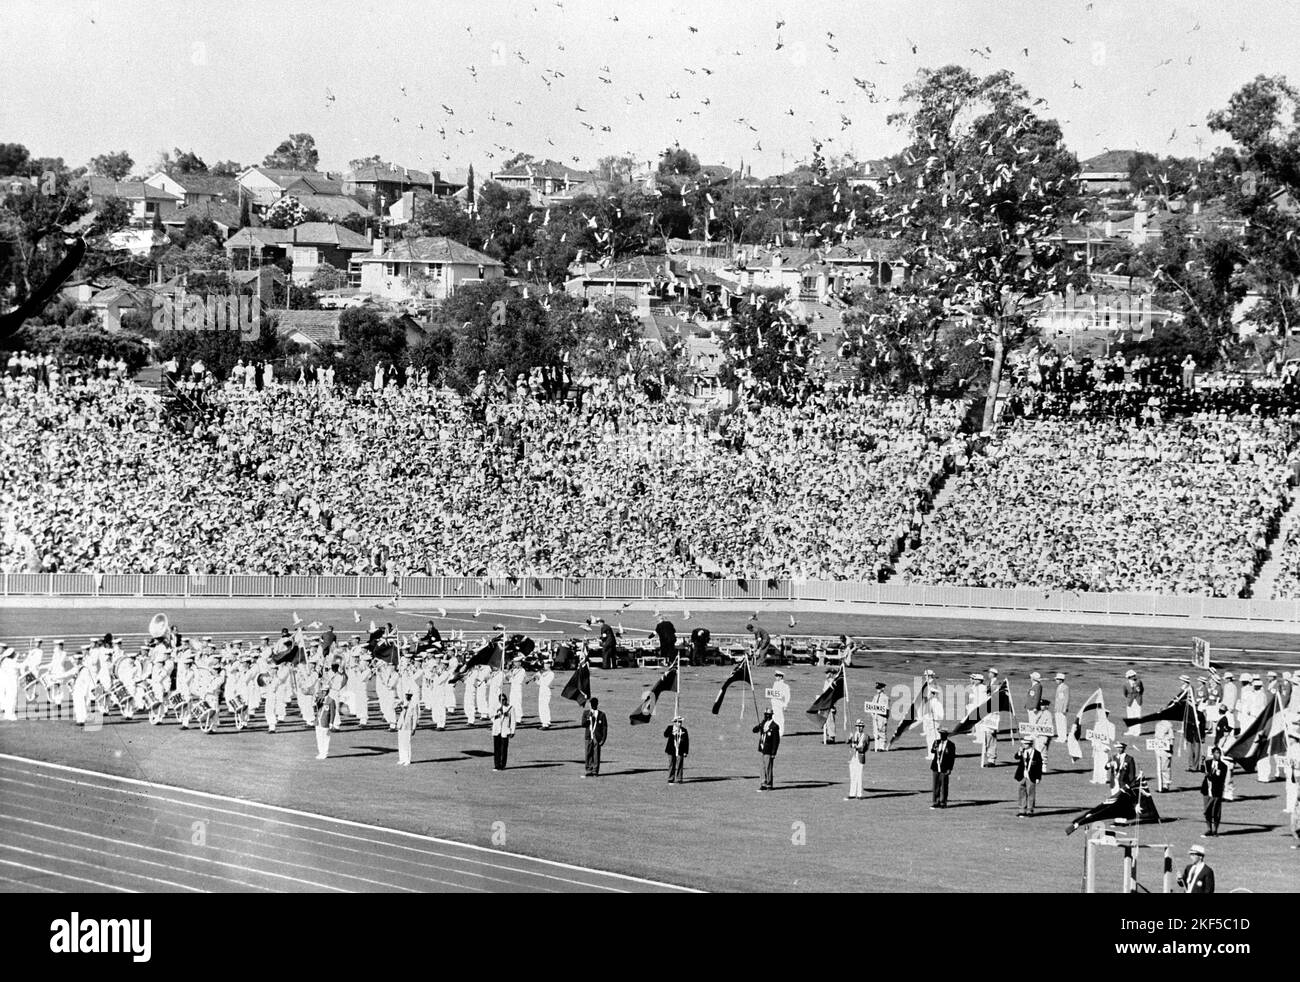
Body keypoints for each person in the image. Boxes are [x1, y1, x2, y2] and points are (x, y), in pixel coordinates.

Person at [1201, 746, 1228, 838]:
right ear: (1212, 754)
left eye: (1219, 753)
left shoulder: (1223, 766)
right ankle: (1209, 829)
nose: (1218, 755)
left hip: (1216, 792)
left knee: (1216, 811)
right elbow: (1202, 769)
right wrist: (1202, 761)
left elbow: (1221, 779)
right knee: (1206, 811)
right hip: (1207, 790)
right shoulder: (1208, 763)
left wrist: (1210, 776)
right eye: (1216, 753)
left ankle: (1215, 830)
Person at [1013, 737, 1043, 817]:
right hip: (1022, 775)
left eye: (1025, 744)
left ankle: (1030, 810)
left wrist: (1038, 777)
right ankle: (1021, 810)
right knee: (1021, 792)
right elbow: (1016, 757)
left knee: (1031, 793)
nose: (1023, 745)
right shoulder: (1022, 751)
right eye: (1023, 743)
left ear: (1030, 744)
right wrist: (1019, 752)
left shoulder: (1036, 753)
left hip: (1032, 776)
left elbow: (1039, 767)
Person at [753, 708, 780, 791]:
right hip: (762, 748)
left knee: (768, 767)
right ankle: (763, 783)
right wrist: (759, 726)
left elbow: (776, 741)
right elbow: (754, 730)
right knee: (762, 767)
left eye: (768, 715)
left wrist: (773, 752)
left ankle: (769, 784)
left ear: (771, 715)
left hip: (769, 749)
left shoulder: (774, 726)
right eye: (765, 714)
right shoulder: (763, 723)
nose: (766, 716)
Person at [930, 728, 956, 809]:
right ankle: (935, 801)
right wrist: (935, 748)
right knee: (935, 786)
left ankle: (943, 802)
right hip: (936, 767)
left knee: (944, 786)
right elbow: (932, 751)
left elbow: (952, 758)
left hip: (945, 767)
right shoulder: (936, 742)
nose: (942, 736)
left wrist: (950, 768)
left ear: (946, 735)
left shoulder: (951, 745)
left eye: (943, 735)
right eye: (941, 734)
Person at [582, 697, 607, 777]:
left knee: (596, 754)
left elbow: (604, 727)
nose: (593, 705)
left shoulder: (601, 714)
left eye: (594, 704)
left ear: (597, 704)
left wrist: (603, 739)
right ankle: (588, 770)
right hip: (588, 736)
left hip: (597, 737)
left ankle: (595, 771)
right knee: (588, 753)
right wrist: (588, 718)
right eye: (591, 704)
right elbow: (583, 724)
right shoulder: (586, 713)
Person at [1091, 710, 1116, 784]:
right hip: (1097, 745)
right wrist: (1093, 744)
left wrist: (1108, 746)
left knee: (1103, 762)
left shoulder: (1111, 725)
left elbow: (1112, 738)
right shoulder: (1097, 724)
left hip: (1105, 746)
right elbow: (1093, 736)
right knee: (1096, 762)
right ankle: (1095, 778)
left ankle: (1103, 779)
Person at [492, 693, 516, 771]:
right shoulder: (496, 707)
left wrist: (512, 731)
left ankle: (502, 765)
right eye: (501, 700)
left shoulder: (510, 708)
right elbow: (491, 717)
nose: (503, 701)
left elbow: (513, 720)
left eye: (504, 699)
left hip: (505, 731)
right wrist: (498, 713)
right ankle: (497, 765)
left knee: (504, 749)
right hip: (496, 730)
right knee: (497, 749)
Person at [846, 719, 869, 799]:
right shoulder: (854, 734)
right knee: (853, 776)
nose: (859, 728)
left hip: (860, 757)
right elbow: (848, 743)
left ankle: (859, 794)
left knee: (859, 776)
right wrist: (849, 739)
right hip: (853, 757)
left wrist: (855, 746)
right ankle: (852, 793)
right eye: (857, 726)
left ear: (863, 727)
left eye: (860, 726)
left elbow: (863, 748)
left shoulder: (865, 736)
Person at [665, 715, 689, 784]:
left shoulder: (684, 730)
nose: (680, 723)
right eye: (678, 722)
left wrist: (685, 751)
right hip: (671, 750)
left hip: (680, 750)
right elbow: (665, 735)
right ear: (674, 722)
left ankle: (679, 779)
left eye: (680, 722)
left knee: (679, 764)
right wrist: (672, 732)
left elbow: (686, 742)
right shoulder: (670, 728)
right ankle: (671, 778)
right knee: (671, 764)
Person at [1153, 718, 1175, 792]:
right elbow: (1156, 736)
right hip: (1158, 748)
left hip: (1166, 749)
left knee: (1165, 768)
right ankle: (1160, 785)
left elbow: (1171, 738)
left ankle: (1166, 785)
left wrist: (1170, 747)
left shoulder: (1169, 726)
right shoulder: (1158, 725)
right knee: (1159, 767)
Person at [396, 692, 416, 765]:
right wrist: (400, 705)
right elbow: (395, 708)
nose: (407, 696)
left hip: (408, 725)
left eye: (408, 695)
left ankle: (407, 759)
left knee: (406, 743)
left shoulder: (413, 704)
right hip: (401, 724)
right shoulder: (403, 703)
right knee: (400, 743)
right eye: (406, 695)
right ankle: (402, 758)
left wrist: (414, 728)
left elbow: (415, 717)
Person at [820, 668, 838, 743]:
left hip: (830, 704)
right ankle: (827, 736)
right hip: (825, 703)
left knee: (830, 720)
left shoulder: (833, 682)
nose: (826, 675)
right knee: (826, 721)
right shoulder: (826, 682)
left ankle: (831, 737)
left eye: (827, 673)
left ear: (831, 674)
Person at [1123, 670, 1143, 737]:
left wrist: (1138, 695)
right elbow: (1125, 693)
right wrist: (1129, 698)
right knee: (1130, 716)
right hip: (1130, 702)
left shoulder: (1139, 682)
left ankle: (1137, 731)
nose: (1134, 677)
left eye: (1134, 675)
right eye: (1133, 676)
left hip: (1137, 701)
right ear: (1129, 677)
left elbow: (1142, 690)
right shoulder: (1126, 684)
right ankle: (1131, 730)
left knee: (1137, 716)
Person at [536, 658, 554, 729]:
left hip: (546, 691)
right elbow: (539, 683)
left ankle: (546, 723)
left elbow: (546, 683)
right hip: (541, 691)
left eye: (547, 664)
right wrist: (536, 680)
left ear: (550, 665)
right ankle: (543, 722)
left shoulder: (551, 673)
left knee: (545, 707)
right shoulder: (543, 672)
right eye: (545, 664)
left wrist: (539, 677)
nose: (545, 665)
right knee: (541, 707)